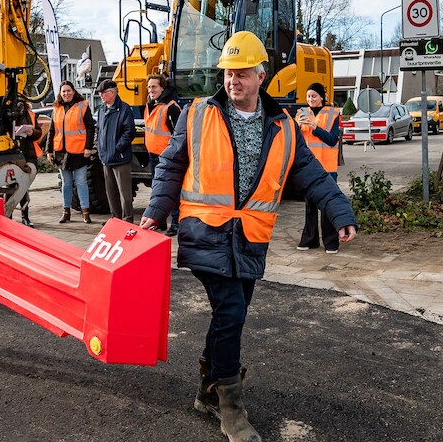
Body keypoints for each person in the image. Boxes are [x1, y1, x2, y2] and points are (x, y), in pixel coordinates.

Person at [139, 32, 357, 442]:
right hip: (205, 231)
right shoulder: (197, 113)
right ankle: (231, 409)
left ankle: (207, 390)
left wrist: (339, 211)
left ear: (261, 76)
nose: (232, 80)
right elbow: (170, 166)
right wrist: (156, 211)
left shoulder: (283, 126)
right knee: (232, 311)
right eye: (227, 73)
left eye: (241, 73)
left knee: (230, 315)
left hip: (250, 238)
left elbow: (311, 175)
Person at [296, 83, 344, 254]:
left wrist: (315, 128)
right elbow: (294, 139)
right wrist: (296, 126)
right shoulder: (301, 113)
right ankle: (310, 240)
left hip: (327, 167)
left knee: (327, 205)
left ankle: (331, 242)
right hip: (308, 167)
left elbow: (332, 139)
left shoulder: (333, 114)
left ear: (322, 97)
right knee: (310, 205)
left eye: (314, 96)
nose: (310, 99)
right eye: (308, 96)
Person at [45, 81, 95, 223]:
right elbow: (52, 131)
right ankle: (66, 212)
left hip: (79, 151)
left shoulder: (82, 106)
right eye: (64, 91)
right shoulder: (57, 108)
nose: (66, 93)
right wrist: (49, 151)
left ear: (73, 91)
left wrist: (88, 147)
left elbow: (90, 128)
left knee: (81, 182)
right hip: (61, 152)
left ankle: (85, 212)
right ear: (60, 93)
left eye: (68, 90)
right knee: (66, 184)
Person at [144, 73, 182, 236]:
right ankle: (159, 221)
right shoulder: (150, 105)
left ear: (162, 88)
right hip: (154, 155)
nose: (151, 90)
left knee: (170, 191)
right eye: (149, 87)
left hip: (168, 158)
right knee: (157, 190)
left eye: (154, 87)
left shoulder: (171, 108)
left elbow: (179, 135)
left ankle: (176, 223)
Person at [95, 78, 136, 222]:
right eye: (100, 93)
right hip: (106, 158)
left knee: (125, 193)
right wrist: (99, 146)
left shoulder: (124, 109)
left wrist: (117, 148)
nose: (101, 95)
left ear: (112, 93)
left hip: (120, 158)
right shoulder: (102, 110)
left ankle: (127, 220)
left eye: (103, 93)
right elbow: (99, 130)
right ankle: (115, 219)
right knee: (111, 193)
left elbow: (129, 131)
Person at [12, 99, 44, 227]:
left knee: (23, 186)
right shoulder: (7, 111)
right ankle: (9, 215)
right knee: (11, 186)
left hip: (27, 154)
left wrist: (32, 132)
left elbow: (38, 133)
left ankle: (25, 216)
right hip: (12, 152)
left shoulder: (30, 113)